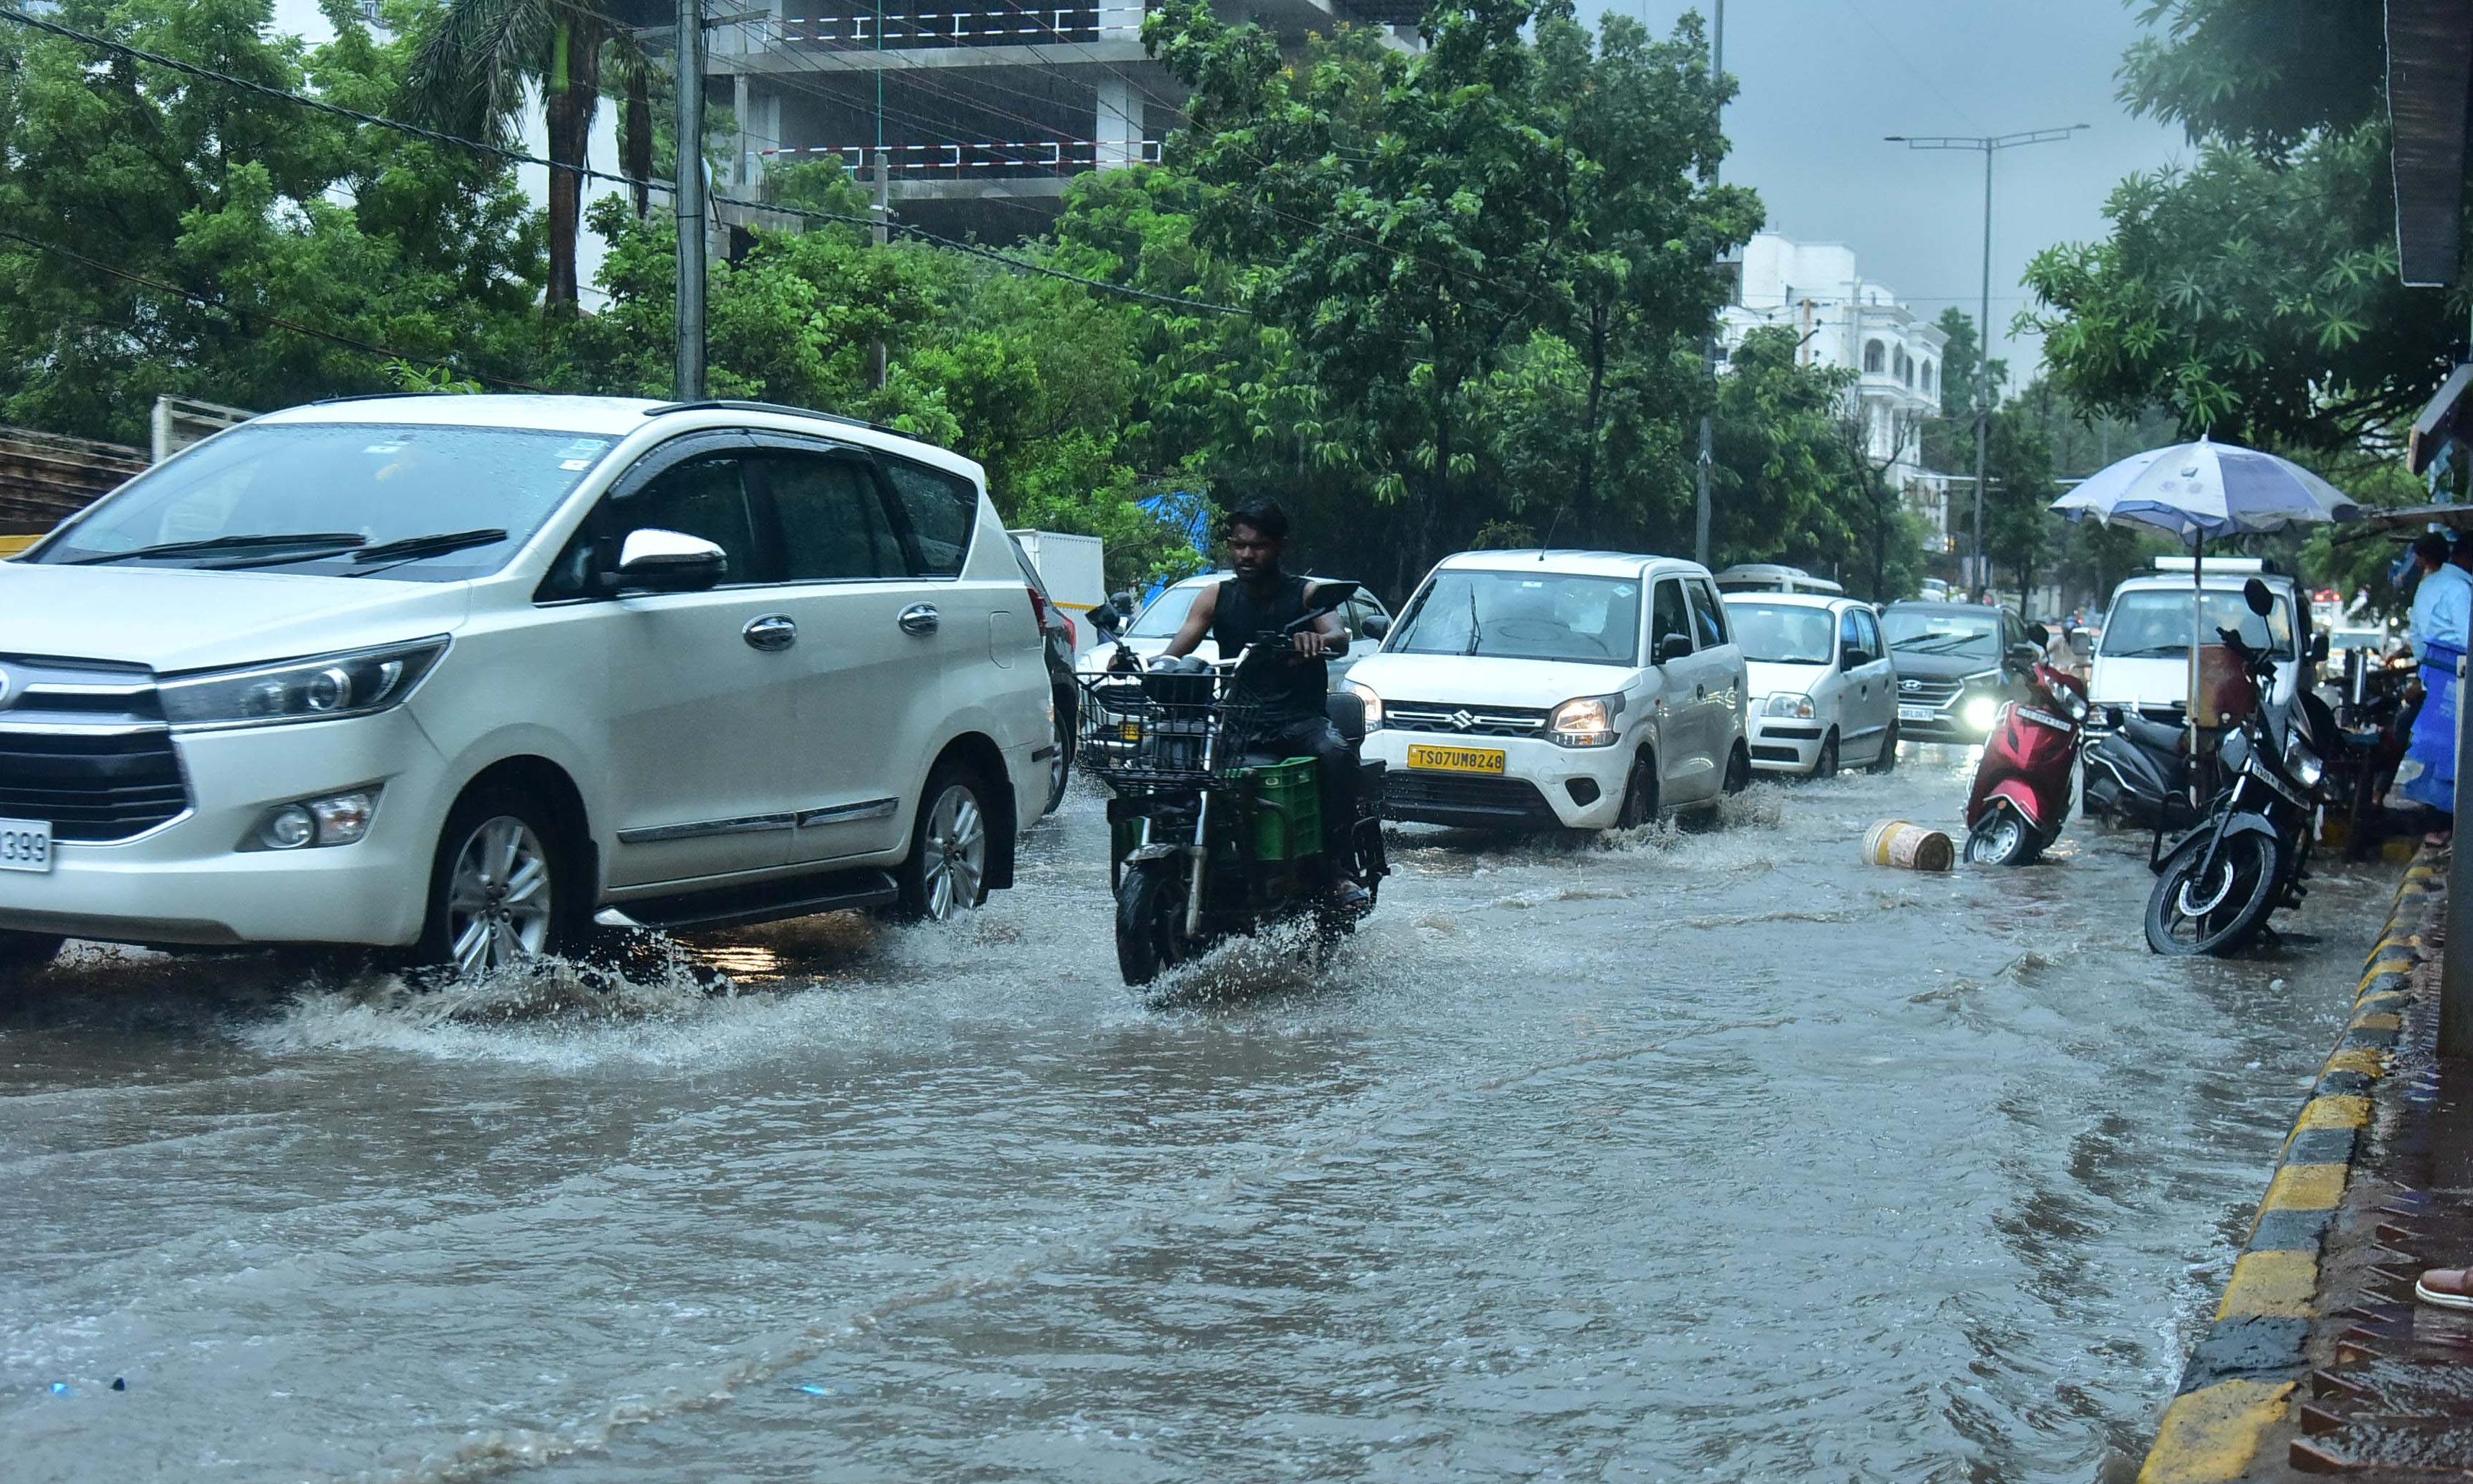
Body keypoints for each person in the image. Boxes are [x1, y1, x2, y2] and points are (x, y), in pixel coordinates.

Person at [1160, 500, 1366, 903]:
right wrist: (1144, 664)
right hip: (1237, 722)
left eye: (1258, 546)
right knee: (1170, 753)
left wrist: (1317, 640)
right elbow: (1175, 651)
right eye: (1238, 546)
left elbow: (1339, 637)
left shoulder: (1306, 594)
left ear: (1280, 547)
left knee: (1337, 755)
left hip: (1298, 720)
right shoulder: (1214, 597)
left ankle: (1338, 868)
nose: (1246, 555)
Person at [2396, 532, 2472, 830]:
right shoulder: (2460, 589)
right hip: (2455, 673)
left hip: (2434, 672)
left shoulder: (2429, 585)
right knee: (2451, 750)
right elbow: (2468, 638)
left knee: (2439, 748)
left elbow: (2417, 635)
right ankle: (2442, 822)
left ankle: (2436, 822)